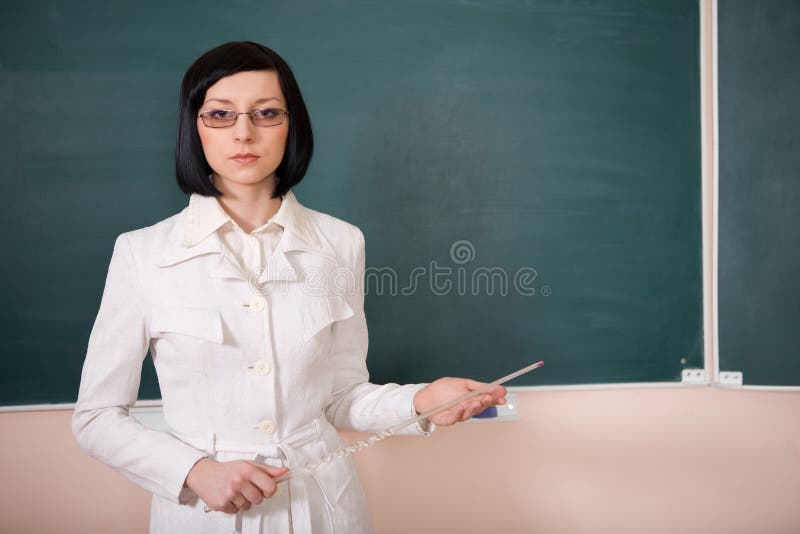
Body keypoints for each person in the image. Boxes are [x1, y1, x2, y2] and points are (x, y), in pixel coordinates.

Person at [72, 41, 507, 534]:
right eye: (220, 114)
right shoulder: (143, 253)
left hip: (324, 509)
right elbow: (96, 416)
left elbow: (340, 394)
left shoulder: (341, 242)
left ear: (291, 124)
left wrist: (421, 401)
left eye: (266, 113)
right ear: (194, 127)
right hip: (204, 516)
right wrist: (195, 472)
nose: (244, 132)